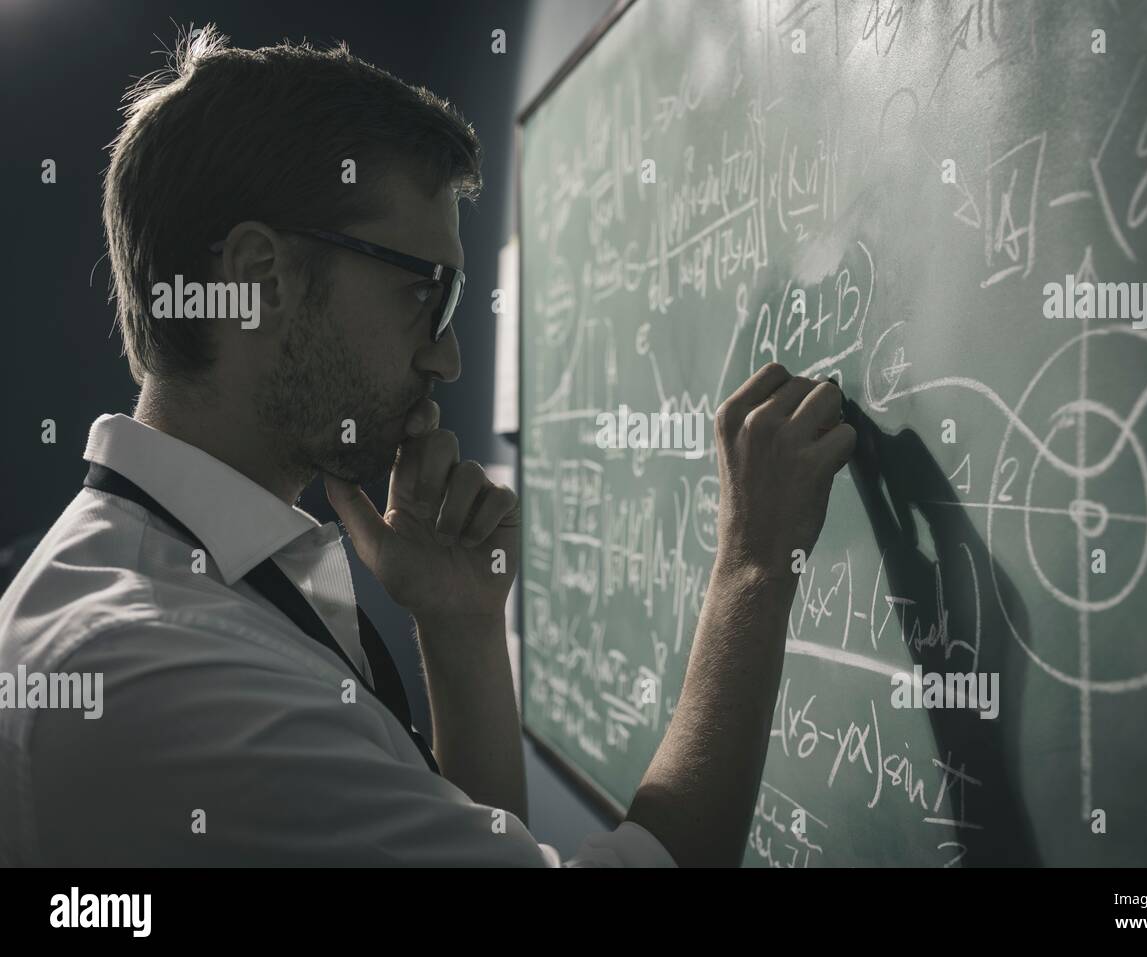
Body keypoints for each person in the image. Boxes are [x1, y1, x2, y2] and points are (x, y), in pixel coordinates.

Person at [0, 27, 855, 867]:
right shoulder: (160, 676)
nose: (446, 354)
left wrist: (461, 629)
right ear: (259, 279)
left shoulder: (171, 580)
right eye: (425, 292)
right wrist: (752, 568)